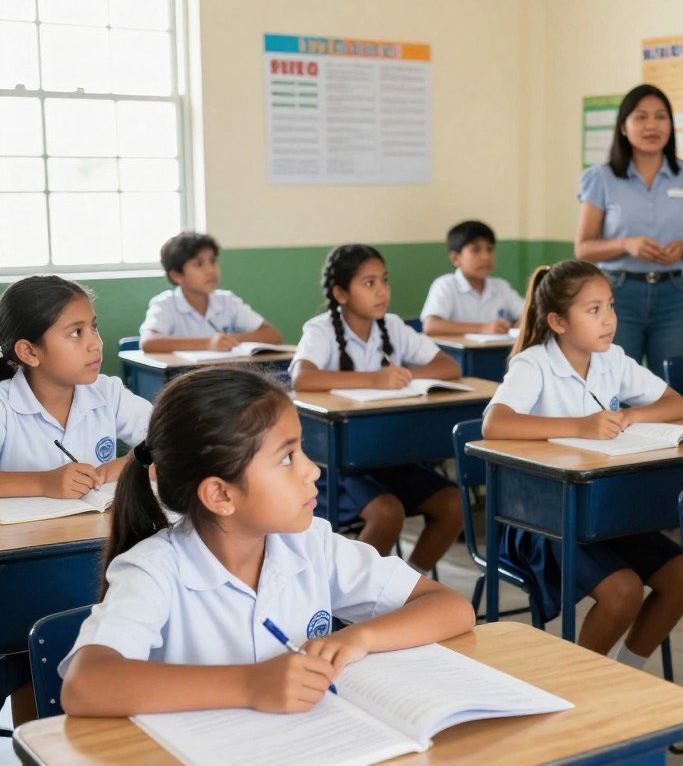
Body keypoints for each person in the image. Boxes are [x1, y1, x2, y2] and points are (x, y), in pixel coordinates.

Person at [59, 366, 475, 716]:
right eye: (287, 457)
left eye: (302, 451)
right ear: (221, 495)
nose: (313, 471)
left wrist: (357, 637)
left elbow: (452, 607)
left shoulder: (310, 544)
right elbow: (85, 684)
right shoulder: (155, 569)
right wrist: (251, 684)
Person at [482, 260, 683, 668]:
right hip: (543, 518)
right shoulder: (534, 364)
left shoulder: (613, 358)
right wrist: (581, 426)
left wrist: (631, 416)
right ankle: (580, 685)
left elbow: (677, 403)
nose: (608, 319)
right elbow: (495, 423)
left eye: (610, 306)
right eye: (593, 310)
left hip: (604, 510)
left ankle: (625, 673)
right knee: (623, 591)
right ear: (558, 321)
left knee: (681, 575)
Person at [0, 274, 151, 724]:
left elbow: (171, 435)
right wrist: (44, 482)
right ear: (28, 352)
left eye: (95, 327)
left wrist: (118, 469)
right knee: (29, 650)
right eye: (75, 332)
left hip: (89, 553)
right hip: (17, 570)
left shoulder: (105, 393)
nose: (95, 344)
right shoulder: (5, 404)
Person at [289, 245, 463, 572]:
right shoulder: (321, 328)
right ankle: (350, 594)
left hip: (388, 455)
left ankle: (405, 585)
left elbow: (448, 367)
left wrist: (406, 375)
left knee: (454, 504)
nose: (382, 291)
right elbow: (302, 377)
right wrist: (374, 379)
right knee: (387, 513)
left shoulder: (392, 326)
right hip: (337, 464)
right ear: (341, 293)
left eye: (384, 280)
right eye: (369, 283)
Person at [574, 84, 683, 372]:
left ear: (671, 126)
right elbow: (583, 248)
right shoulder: (601, 178)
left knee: (669, 382)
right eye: (641, 117)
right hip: (616, 294)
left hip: (672, 294)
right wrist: (626, 244)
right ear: (623, 127)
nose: (652, 126)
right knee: (614, 378)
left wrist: (682, 248)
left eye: (661, 117)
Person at [140, 231, 283, 353]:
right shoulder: (165, 304)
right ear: (177, 275)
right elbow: (149, 342)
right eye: (199, 264)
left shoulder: (227, 301)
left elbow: (272, 335)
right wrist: (208, 343)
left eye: (213, 261)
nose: (211, 270)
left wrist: (228, 341)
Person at [420, 220, 524, 335]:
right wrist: (482, 328)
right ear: (456, 258)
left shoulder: (501, 286)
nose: (486, 257)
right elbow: (431, 326)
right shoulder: (446, 285)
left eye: (489, 249)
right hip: (456, 353)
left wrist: (518, 323)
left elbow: (527, 315)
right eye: (476, 250)